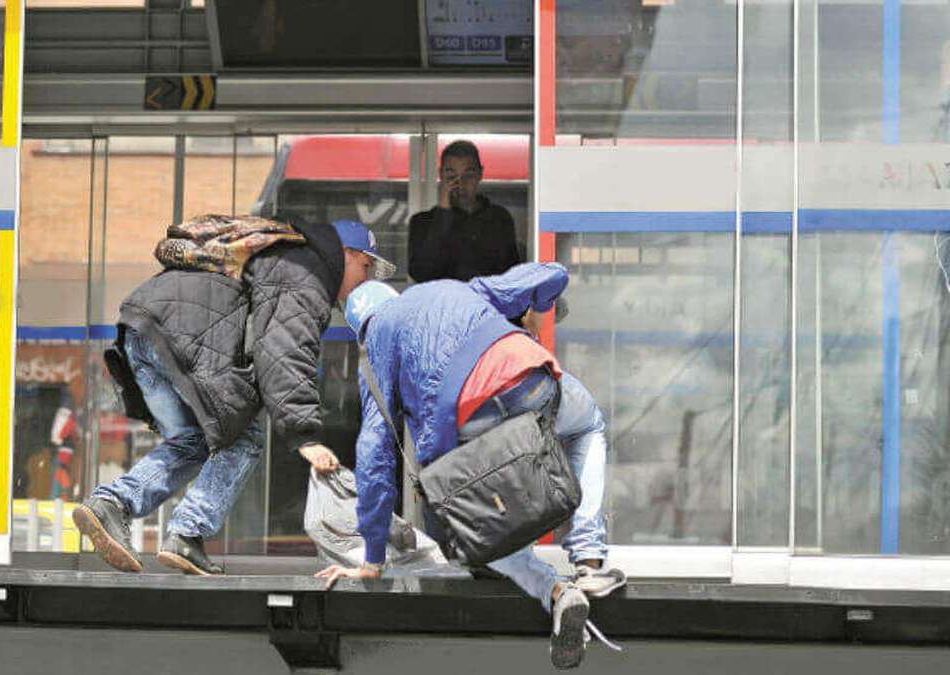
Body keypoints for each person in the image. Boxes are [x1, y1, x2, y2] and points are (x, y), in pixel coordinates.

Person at [315, 265, 624, 670]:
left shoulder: (375, 348)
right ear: (393, 297)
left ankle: (557, 592)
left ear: (360, 329)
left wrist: (373, 558)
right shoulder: (450, 287)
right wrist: (545, 305)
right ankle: (588, 561)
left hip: (469, 426)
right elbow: (550, 275)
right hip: (525, 380)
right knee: (586, 426)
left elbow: (375, 454)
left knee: (480, 531)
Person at [74, 218, 393, 575]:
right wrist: (303, 435)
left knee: (193, 438)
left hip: (143, 329)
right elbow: (284, 349)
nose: (367, 278)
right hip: (184, 336)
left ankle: (112, 503)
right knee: (242, 439)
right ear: (347, 254)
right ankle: (187, 532)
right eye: (366, 266)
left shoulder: (284, 252)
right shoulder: (309, 271)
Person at [407, 140, 523, 283]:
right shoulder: (422, 222)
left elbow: (513, 273)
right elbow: (420, 273)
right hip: (442, 304)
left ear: (480, 174)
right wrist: (443, 212)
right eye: (451, 177)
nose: (460, 184)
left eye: (469, 175)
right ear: (441, 175)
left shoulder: (498, 219)